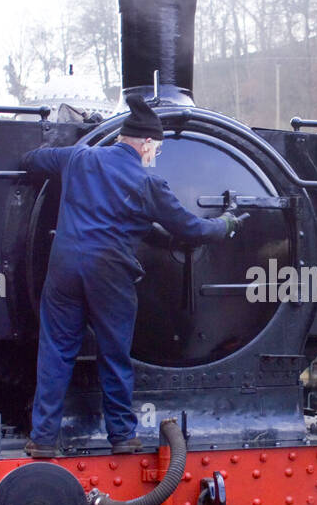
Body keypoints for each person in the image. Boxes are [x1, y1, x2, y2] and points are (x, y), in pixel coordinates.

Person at [21, 93, 245, 456]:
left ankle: (44, 438)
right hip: (109, 274)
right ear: (144, 143)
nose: (155, 155)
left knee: (56, 352)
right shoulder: (148, 184)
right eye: (155, 148)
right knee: (115, 354)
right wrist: (226, 224)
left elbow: (34, 160)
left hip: (63, 270)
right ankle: (122, 436)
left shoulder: (80, 157)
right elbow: (190, 229)